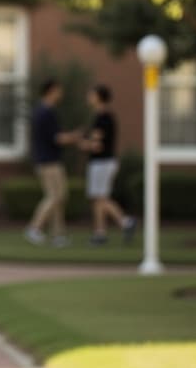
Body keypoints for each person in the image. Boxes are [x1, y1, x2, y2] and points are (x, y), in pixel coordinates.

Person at [24, 78, 79, 247]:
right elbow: (57, 138)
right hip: (49, 161)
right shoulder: (46, 112)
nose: (60, 94)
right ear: (51, 90)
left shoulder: (41, 111)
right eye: (58, 90)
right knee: (55, 196)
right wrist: (75, 137)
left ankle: (58, 235)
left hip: (46, 160)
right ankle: (34, 228)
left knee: (59, 198)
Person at [80, 83, 136, 246]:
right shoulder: (104, 117)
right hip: (103, 163)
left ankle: (124, 222)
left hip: (101, 163)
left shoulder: (102, 118)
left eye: (91, 94)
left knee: (100, 198)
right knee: (98, 198)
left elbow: (97, 145)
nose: (89, 97)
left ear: (98, 97)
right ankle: (101, 232)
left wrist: (83, 144)